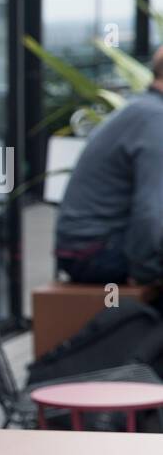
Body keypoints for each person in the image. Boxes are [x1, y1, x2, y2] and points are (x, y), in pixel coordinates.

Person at [55, 45, 163, 287]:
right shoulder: (155, 120)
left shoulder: (143, 109)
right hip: (95, 253)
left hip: (87, 246)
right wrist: (145, 274)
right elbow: (151, 212)